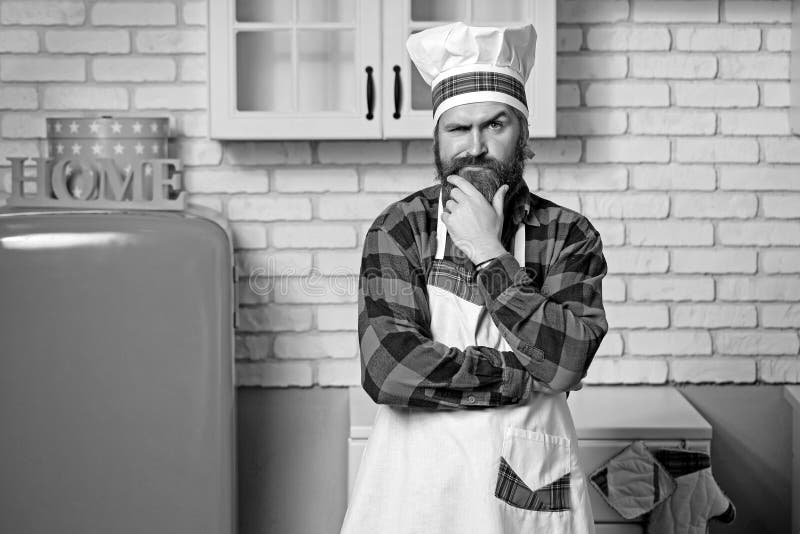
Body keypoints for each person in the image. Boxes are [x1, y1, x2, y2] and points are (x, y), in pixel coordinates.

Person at [340, 22, 608, 534]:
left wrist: (488, 251)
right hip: (416, 492)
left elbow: (568, 362)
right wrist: (521, 373)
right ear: (438, 140)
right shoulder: (401, 228)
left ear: (522, 134)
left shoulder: (568, 235)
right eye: (458, 129)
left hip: (524, 493)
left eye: (495, 125)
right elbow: (388, 367)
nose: (476, 146)